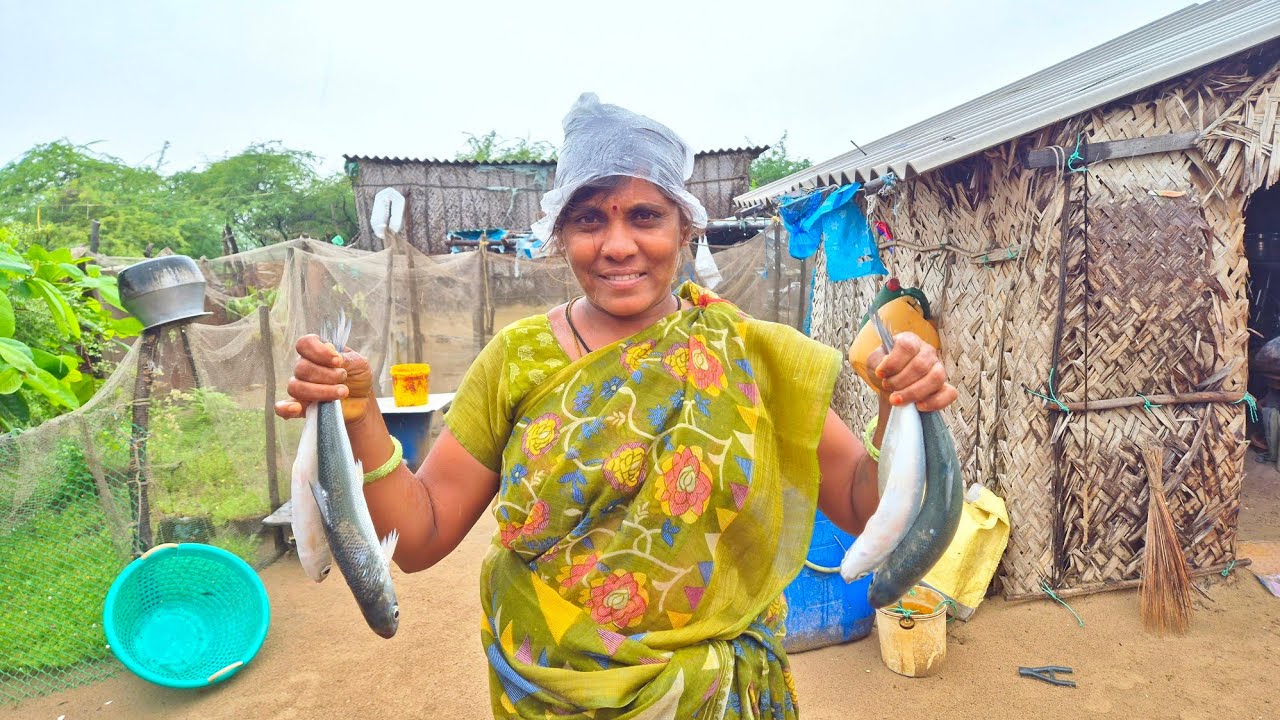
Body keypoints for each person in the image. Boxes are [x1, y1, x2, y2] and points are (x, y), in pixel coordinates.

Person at [275, 93, 957, 719]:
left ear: (685, 229)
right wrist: (358, 413)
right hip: (553, 689)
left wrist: (902, 409)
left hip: (711, 700)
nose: (618, 244)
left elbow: (868, 510)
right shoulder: (517, 361)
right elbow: (419, 540)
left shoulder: (753, 355)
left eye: (645, 216)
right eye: (589, 219)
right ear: (560, 234)